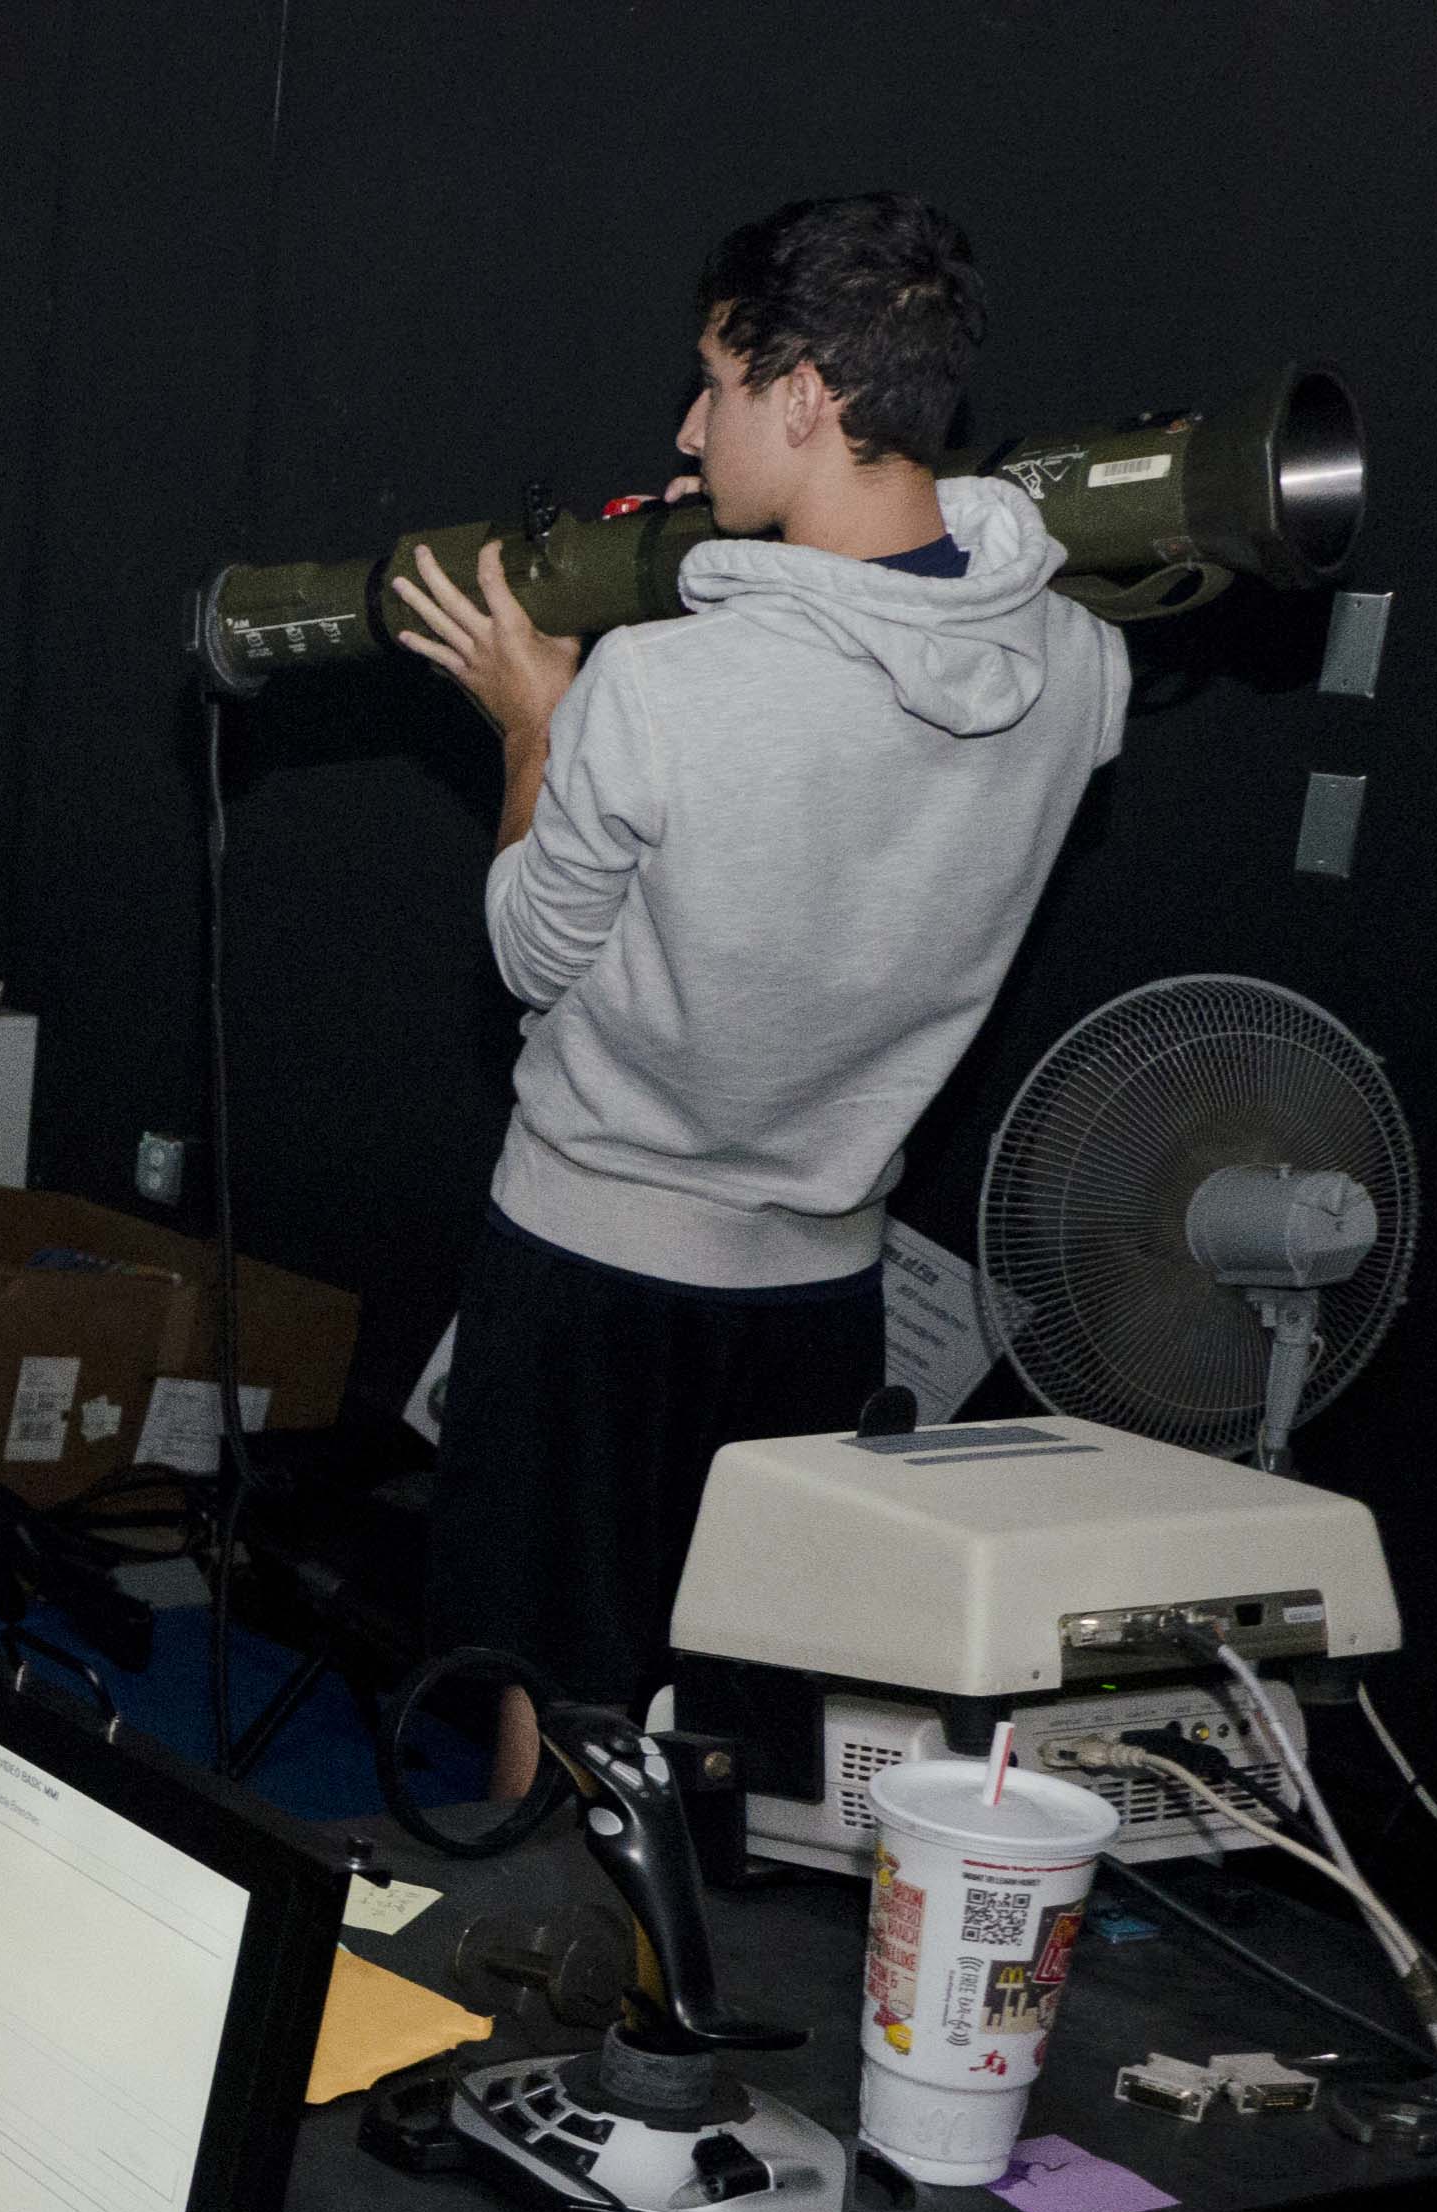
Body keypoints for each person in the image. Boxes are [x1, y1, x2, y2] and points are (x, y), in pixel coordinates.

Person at [386, 192, 1123, 1799]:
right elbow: (910, 620)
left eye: (714, 385)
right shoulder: (1082, 669)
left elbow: (530, 952)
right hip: (821, 1298)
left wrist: (535, 724)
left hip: (590, 1267)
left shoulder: (658, 687)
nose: (685, 425)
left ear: (801, 397)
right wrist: (731, 568)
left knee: (557, 1721)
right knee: (742, 1749)